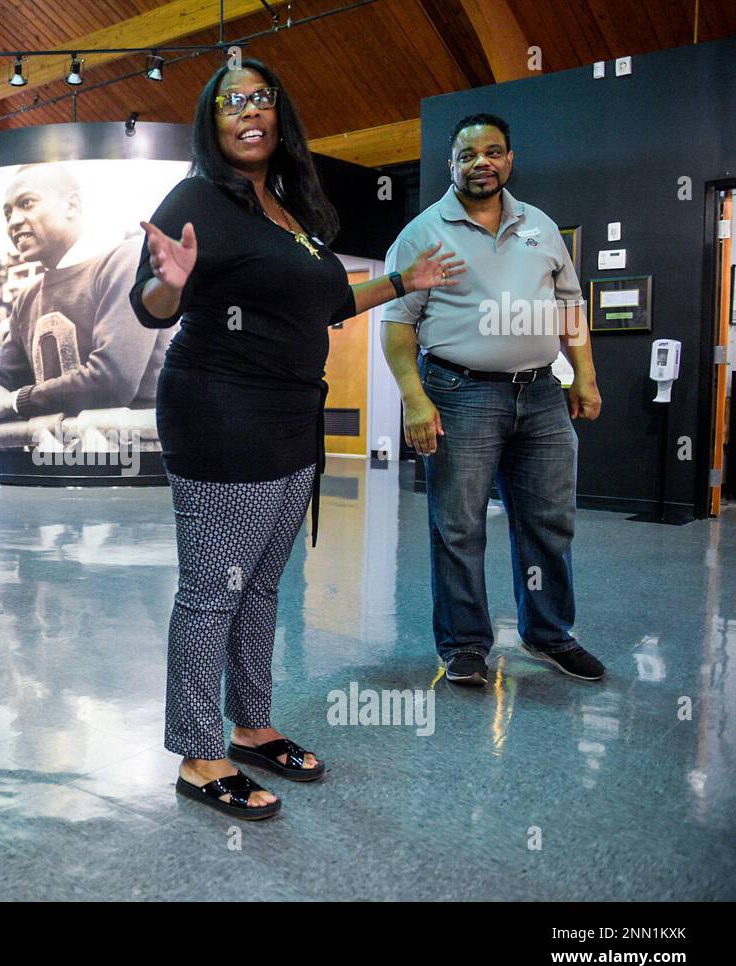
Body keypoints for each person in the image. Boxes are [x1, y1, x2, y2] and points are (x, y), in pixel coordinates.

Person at [131, 58, 461, 819]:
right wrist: (171, 284)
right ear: (211, 123)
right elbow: (150, 303)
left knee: (262, 586)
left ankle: (251, 724)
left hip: (288, 419)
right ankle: (197, 753)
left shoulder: (283, 208)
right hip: (220, 413)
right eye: (230, 103)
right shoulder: (198, 198)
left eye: (261, 99)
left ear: (279, 116)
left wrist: (406, 280)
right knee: (213, 592)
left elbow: (334, 301)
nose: (249, 112)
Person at [380, 113, 604, 687]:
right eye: (469, 154)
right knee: (459, 527)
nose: (483, 162)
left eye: (494, 152)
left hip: (541, 395)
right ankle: (464, 645)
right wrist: (414, 399)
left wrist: (584, 375)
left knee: (550, 522)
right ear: (451, 164)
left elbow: (570, 307)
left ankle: (550, 634)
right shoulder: (422, 233)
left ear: (509, 159)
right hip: (458, 394)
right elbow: (398, 326)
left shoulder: (541, 227)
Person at [0, 163, 173, 428]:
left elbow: (112, 381)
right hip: (56, 461)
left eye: (27, 203)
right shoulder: (27, 297)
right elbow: (1, 384)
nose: (13, 221)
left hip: (132, 462)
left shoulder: (124, 262)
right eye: (8, 213)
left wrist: (15, 401)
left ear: (72, 206)